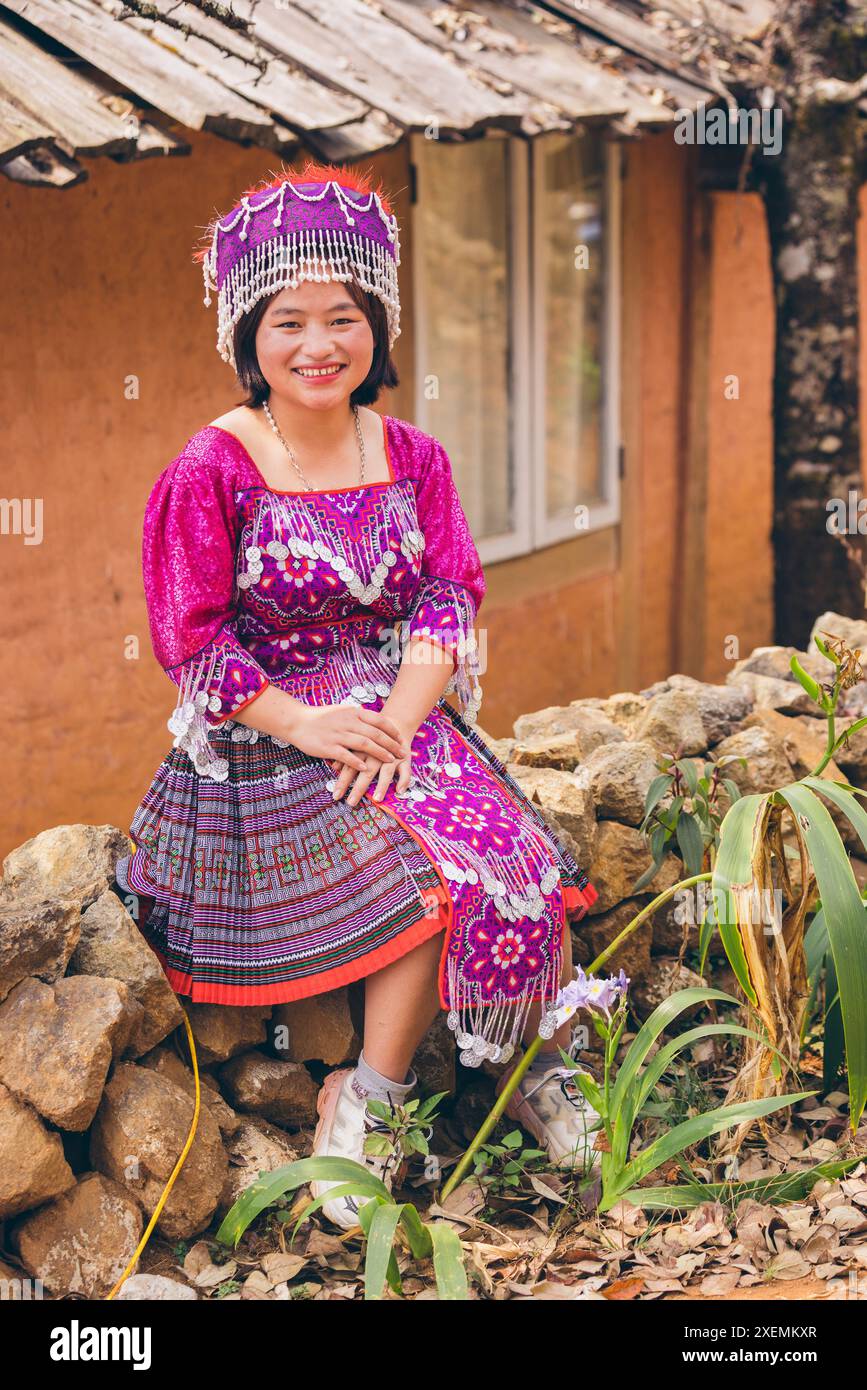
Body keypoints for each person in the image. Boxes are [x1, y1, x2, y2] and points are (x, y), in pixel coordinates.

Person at [114, 161, 601, 1229]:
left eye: (343, 317)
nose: (318, 345)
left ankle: (529, 1066)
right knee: (424, 877)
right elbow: (189, 638)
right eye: (288, 321)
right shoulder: (212, 469)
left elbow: (445, 599)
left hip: (398, 712)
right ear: (250, 336)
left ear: (378, 325)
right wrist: (309, 721)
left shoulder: (414, 457)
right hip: (269, 728)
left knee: (517, 852)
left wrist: (400, 728)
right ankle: (365, 1105)